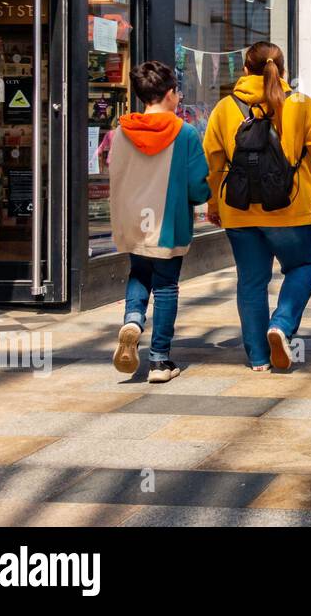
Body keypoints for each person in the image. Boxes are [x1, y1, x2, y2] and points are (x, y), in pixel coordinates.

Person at [203, 43, 311, 371]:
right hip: (290, 209)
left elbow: (212, 160)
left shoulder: (225, 108)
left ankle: (257, 358)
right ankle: (281, 324)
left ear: (244, 70)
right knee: (304, 266)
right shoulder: (299, 104)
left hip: (238, 210)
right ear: (283, 71)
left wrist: (213, 203)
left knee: (251, 281)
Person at [110, 61, 211, 383]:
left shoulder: (121, 132)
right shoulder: (185, 133)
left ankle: (134, 319)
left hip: (131, 219)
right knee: (166, 285)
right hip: (168, 221)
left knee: (139, 272)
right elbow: (197, 185)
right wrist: (201, 198)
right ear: (169, 94)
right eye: (177, 91)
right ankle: (159, 361)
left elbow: (115, 174)